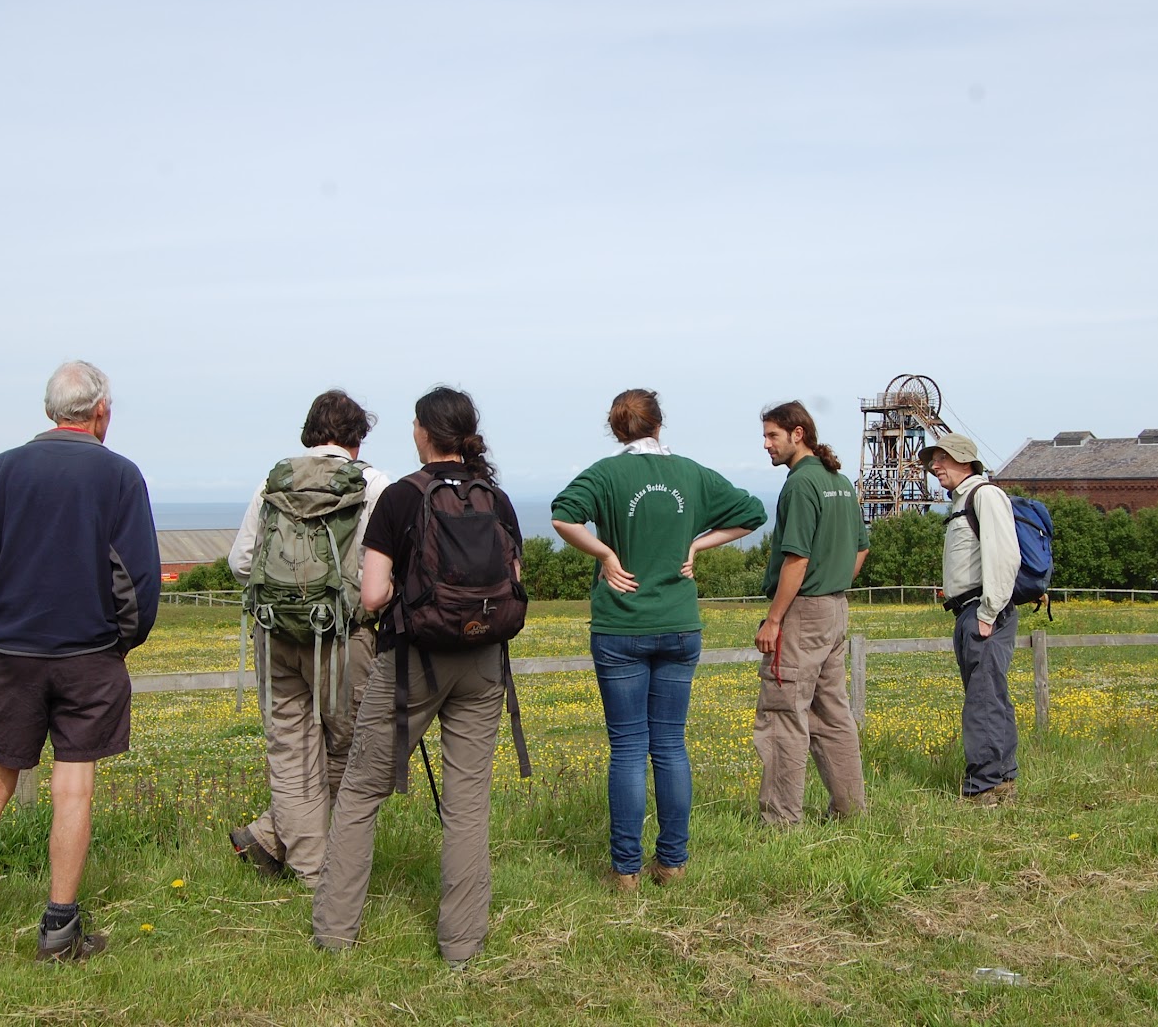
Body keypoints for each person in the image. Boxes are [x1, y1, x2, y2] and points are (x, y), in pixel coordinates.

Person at [0, 361, 160, 965]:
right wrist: (117, 645)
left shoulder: (3, 470)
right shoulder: (120, 475)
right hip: (89, 656)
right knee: (73, 788)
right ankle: (59, 932)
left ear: (51, 410)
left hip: (11, 654)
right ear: (101, 410)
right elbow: (138, 581)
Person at [313, 386, 520, 966]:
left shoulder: (402, 498)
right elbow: (513, 582)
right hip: (484, 664)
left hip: (410, 664)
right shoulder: (495, 498)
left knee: (359, 792)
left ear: (422, 433)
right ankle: (462, 946)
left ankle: (334, 933)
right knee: (468, 803)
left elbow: (375, 593)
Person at [551, 389, 765, 891]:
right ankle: (671, 863)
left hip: (621, 627)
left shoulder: (606, 474)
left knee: (627, 749)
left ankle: (625, 871)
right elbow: (752, 512)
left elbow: (563, 515)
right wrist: (697, 540)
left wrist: (605, 555)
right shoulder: (691, 474)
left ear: (616, 428)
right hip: (678, 624)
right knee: (670, 745)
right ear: (658, 424)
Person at [226, 390, 391, 885]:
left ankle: (304, 867)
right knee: (351, 749)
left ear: (310, 433)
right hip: (344, 637)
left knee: (291, 753)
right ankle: (331, 864)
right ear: (357, 438)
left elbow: (240, 563)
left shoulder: (273, 481)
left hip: (275, 635)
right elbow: (386, 576)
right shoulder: (375, 485)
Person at [753, 401, 868, 826]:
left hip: (802, 612)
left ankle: (781, 821)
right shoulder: (838, 479)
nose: (766, 445)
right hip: (835, 608)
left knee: (784, 714)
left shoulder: (801, 484)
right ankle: (850, 810)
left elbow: (796, 560)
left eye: (772, 436)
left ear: (797, 434)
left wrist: (775, 618)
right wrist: (834, 579)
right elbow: (861, 546)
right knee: (832, 713)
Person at [919, 433, 1021, 806]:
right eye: (933, 459)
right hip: (970, 611)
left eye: (941, 458)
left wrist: (989, 611)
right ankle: (1002, 778)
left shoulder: (985, 496)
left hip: (983, 612)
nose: (934, 466)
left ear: (964, 460)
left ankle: (985, 786)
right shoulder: (964, 501)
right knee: (990, 695)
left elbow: (1004, 556)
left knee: (983, 699)